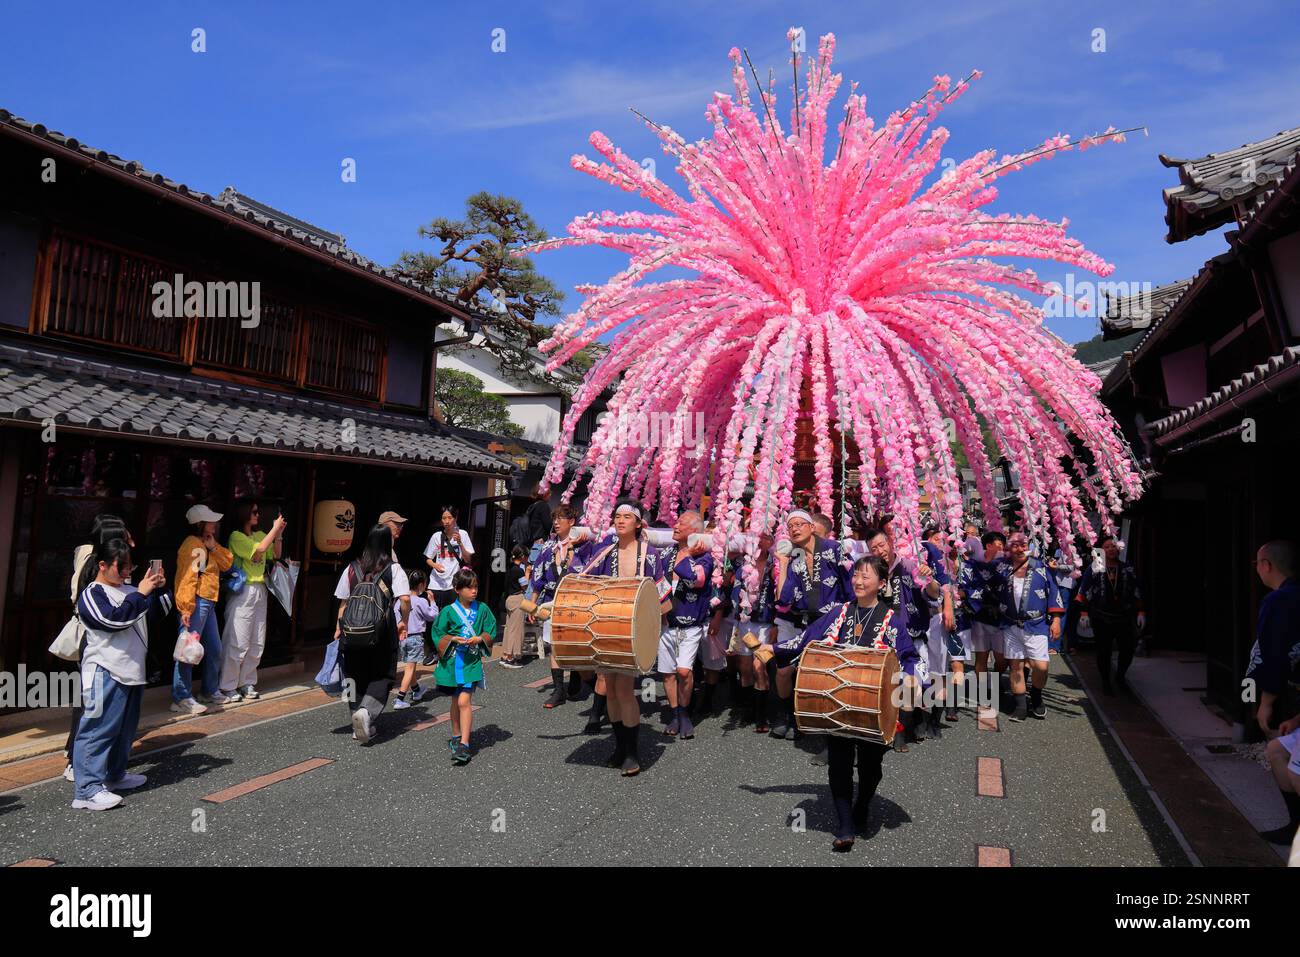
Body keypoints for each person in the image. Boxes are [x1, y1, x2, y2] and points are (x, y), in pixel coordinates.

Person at [773, 555, 916, 851]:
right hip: (836, 702)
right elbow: (806, 641)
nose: (858, 581)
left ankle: (863, 802)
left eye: (866, 577)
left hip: (872, 706)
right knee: (838, 765)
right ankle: (845, 825)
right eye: (856, 576)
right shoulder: (839, 612)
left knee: (870, 766)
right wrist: (771, 649)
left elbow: (910, 656)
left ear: (881, 583)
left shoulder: (891, 620)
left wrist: (912, 678)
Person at [72, 538, 172, 810]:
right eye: (122, 566)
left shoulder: (130, 590)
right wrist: (140, 594)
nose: (127, 571)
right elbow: (112, 621)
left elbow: (155, 614)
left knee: (124, 731)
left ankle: (114, 776)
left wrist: (159, 590)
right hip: (104, 670)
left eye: (130, 565)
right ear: (102, 565)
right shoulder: (92, 593)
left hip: (131, 671)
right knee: (97, 731)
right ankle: (87, 790)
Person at [572, 498, 670, 776]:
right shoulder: (605, 553)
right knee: (611, 688)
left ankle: (632, 752)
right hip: (607, 628)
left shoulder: (650, 554)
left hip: (633, 632)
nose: (620, 520)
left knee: (624, 690)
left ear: (639, 524)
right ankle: (618, 746)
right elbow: (588, 587)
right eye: (617, 516)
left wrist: (648, 629)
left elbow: (664, 598)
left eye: (627, 516)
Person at [769, 509, 852, 739]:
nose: (794, 529)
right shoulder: (795, 559)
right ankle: (789, 716)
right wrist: (784, 563)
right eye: (790, 526)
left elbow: (852, 586)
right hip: (807, 624)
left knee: (829, 677)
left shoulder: (835, 549)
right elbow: (784, 599)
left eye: (799, 524)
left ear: (812, 527)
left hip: (836, 623)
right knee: (784, 669)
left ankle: (831, 739)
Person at [63, 513, 132, 782]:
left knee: (94, 702)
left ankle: (85, 759)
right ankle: (75, 760)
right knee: (91, 704)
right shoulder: (97, 566)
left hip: (96, 639)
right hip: (95, 640)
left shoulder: (89, 556)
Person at [333, 524, 411, 743]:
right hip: (381, 631)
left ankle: (356, 716)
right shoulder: (393, 569)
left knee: (353, 675)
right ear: (388, 543)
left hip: (351, 630)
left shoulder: (352, 568)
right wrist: (404, 621)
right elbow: (405, 599)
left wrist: (339, 627)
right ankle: (366, 713)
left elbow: (343, 601)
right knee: (383, 674)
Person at [865, 526, 940, 745]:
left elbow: (932, 593)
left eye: (882, 544)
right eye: (873, 548)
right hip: (884, 639)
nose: (880, 551)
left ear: (890, 542)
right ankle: (896, 731)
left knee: (915, 685)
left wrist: (930, 578)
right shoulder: (872, 571)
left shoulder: (909, 564)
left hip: (912, 636)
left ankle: (914, 722)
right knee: (888, 686)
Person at [1246, 540, 1300, 845]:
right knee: (1278, 751)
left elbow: (1273, 654)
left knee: (1296, 770)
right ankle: (1296, 825)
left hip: (1292, 692)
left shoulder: (1278, 602)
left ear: (1266, 565)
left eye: (1257, 564)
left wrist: (1265, 703)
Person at [172, 504, 236, 715]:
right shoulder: (193, 544)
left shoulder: (205, 543)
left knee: (212, 649)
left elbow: (228, 564)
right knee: (188, 650)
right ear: (200, 523)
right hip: (197, 602)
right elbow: (188, 577)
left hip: (207, 602)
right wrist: (186, 608)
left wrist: (213, 547)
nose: (215, 524)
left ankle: (208, 691)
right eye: (211, 521)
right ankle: (182, 697)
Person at [220, 500, 287, 701]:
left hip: (260, 588)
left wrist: (279, 533)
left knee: (257, 639)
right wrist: (274, 529)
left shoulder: (259, 535)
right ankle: (227, 685)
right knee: (236, 639)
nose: (258, 515)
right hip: (243, 590)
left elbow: (275, 554)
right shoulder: (236, 536)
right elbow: (258, 551)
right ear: (244, 514)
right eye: (254, 512)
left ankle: (246, 681)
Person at [431, 568, 497, 765]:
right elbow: (437, 633)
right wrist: (452, 639)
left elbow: (491, 629)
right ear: (457, 589)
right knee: (454, 701)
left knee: (463, 702)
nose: (474, 591)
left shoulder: (483, 609)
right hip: (452, 663)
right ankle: (456, 735)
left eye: (475, 587)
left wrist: (480, 638)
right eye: (469, 587)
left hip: (471, 662)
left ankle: (464, 744)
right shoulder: (448, 611)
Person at [658, 510, 714, 739]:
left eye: (681, 523)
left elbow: (697, 580)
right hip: (666, 621)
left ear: (695, 531)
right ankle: (675, 714)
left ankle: (684, 714)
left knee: (683, 671)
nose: (676, 525)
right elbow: (656, 580)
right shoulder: (666, 553)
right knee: (668, 673)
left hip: (690, 623)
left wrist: (689, 553)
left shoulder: (705, 557)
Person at [997, 532, 1063, 721]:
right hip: (1011, 624)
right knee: (1016, 666)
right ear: (1009, 548)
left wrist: (1056, 620)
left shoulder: (1042, 569)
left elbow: (1054, 594)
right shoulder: (1002, 569)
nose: (1018, 548)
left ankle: (1036, 694)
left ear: (1030, 546)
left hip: (1037, 624)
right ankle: (1020, 706)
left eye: (1022, 544)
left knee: (1040, 666)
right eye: (1014, 545)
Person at [530, 504, 584, 711]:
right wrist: (533, 604)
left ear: (572, 522)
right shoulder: (547, 548)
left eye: (561, 518)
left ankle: (578, 675)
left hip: (575, 602)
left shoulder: (583, 547)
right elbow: (538, 578)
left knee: (575, 644)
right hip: (552, 600)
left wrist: (571, 551)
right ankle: (559, 690)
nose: (556, 522)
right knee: (553, 645)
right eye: (555, 518)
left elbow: (585, 572)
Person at [1075, 534, 1144, 695]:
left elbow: (1137, 591)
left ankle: (1120, 676)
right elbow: (1084, 590)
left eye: (1113, 546)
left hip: (1124, 616)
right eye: (1106, 547)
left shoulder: (1127, 567)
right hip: (1101, 616)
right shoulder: (1095, 568)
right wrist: (1084, 612)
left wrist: (1141, 611)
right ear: (1101, 550)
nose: (1111, 549)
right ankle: (1105, 681)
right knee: (1103, 650)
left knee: (1127, 649)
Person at [969, 531, 1009, 710]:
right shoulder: (974, 563)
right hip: (980, 615)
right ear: (987, 546)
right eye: (997, 543)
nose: (1001, 546)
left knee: (1002, 659)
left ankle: (997, 677)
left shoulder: (1005, 563)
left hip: (1001, 616)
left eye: (1002, 543)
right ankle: (984, 690)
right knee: (982, 656)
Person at [393, 568, 435, 709]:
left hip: (402, 638)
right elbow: (432, 616)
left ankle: (417, 690)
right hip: (415, 637)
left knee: (409, 666)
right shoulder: (420, 601)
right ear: (422, 585)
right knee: (410, 669)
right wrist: (432, 602)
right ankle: (400, 698)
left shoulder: (399, 601)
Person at [424, 506, 475, 610]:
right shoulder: (436, 536)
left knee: (452, 614)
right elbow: (428, 558)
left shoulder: (463, 534)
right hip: (436, 583)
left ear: (455, 518)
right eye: (444, 518)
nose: (446, 521)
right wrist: (435, 565)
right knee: (435, 615)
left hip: (453, 584)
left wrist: (460, 543)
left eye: (450, 518)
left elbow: (468, 559)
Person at [498, 545, 529, 668]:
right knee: (516, 630)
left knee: (508, 628)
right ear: (522, 556)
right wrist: (527, 572)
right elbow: (524, 586)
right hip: (517, 599)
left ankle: (505, 655)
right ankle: (511, 658)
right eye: (526, 556)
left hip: (509, 599)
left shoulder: (510, 568)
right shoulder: (519, 570)